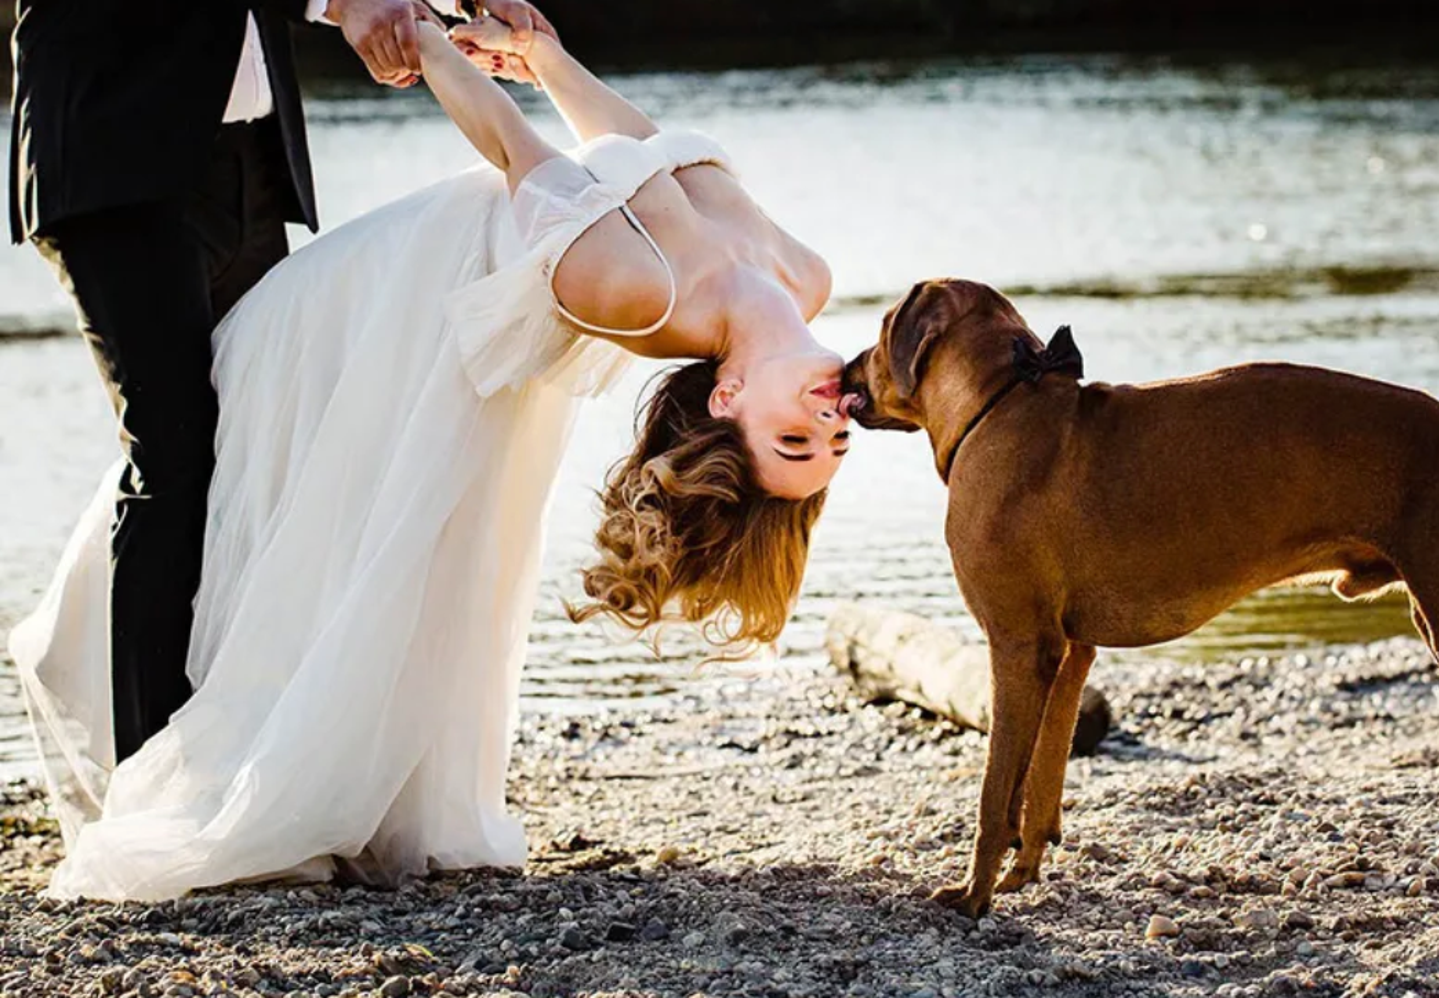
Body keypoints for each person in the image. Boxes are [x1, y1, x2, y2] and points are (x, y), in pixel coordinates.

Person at [9, 13, 854, 901]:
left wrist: (425, 39)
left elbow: (515, 151)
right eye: (830, 441)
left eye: (790, 439)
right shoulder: (804, 273)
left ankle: (204, 776)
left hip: (384, 306)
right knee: (210, 474)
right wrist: (546, 58)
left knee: (222, 476)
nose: (826, 419)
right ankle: (183, 764)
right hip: (193, 188)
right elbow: (646, 148)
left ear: (727, 401)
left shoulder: (641, 295)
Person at [8, 0, 556, 769]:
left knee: (267, 449)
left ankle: (251, 753)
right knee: (174, 460)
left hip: (247, 164)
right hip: (114, 152)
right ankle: (153, 779)